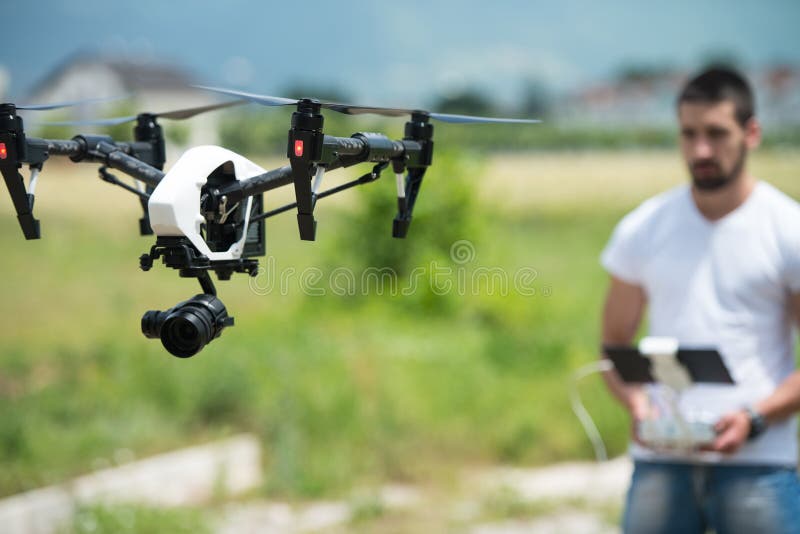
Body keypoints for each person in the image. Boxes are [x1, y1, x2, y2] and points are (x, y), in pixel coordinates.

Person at [600, 66, 800, 533]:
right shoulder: (642, 227)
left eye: (716, 133)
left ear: (751, 133)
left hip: (759, 463)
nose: (700, 150)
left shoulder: (788, 229)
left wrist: (754, 418)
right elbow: (613, 346)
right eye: (688, 134)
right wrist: (636, 405)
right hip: (661, 458)